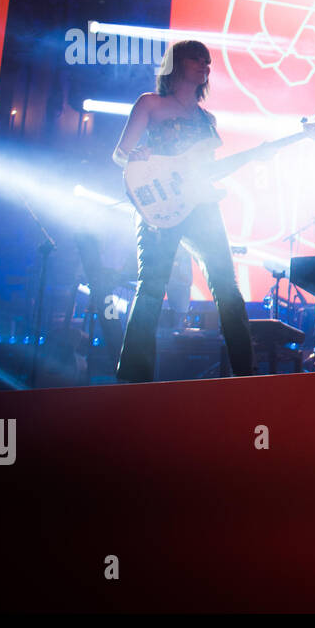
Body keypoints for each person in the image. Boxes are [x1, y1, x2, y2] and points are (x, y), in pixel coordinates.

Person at [112, 40, 254, 382]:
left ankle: (246, 374)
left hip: (201, 206)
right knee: (152, 286)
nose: (205, 65)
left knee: (227, 287)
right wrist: (137, 157)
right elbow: (120, 154)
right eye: (197, 59)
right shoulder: (151, 103)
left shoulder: (207, 119)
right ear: (176, 64)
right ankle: (133, 379)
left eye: (208, 61)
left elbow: (208, 169)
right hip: (159, 204)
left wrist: (257, 155)